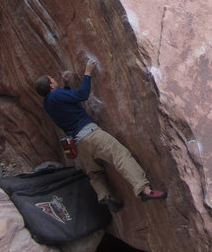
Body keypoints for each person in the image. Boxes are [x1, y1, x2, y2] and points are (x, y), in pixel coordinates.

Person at [34, 58, 167, 214]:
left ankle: (105, 196)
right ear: (51, 86)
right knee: (120, 155)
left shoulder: (47, 104)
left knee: (95, 172)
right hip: (91, 135)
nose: (54, 79)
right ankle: (144, 190)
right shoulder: (56, 96)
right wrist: (88, 72)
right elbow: (82, 95)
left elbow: (65, 102)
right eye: (52, 79)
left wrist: (67, 84)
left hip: (79, 143)